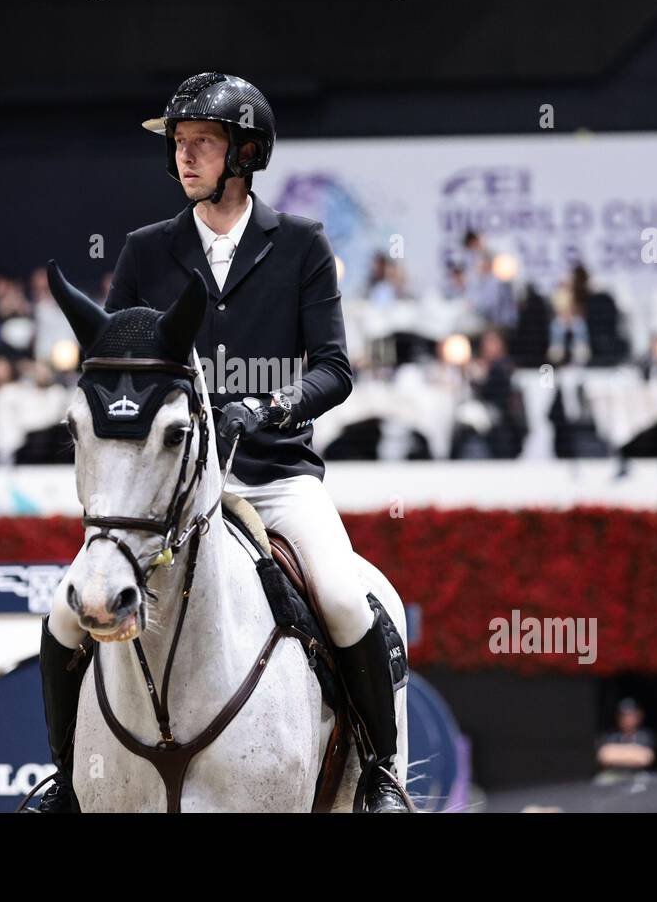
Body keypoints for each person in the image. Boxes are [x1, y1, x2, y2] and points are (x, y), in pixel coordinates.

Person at [34, 72, 413, 813]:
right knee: (63, 611)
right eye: (179, 144)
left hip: (276, 478)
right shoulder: (147, 251)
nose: (185, 157)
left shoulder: (301, 245)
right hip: (169, 488)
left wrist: (265, 408)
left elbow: (334, 370)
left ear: (244, 154)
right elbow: (119, 368)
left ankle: (380, 778)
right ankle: (62, 784)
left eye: (202, 143)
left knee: (342, 597)